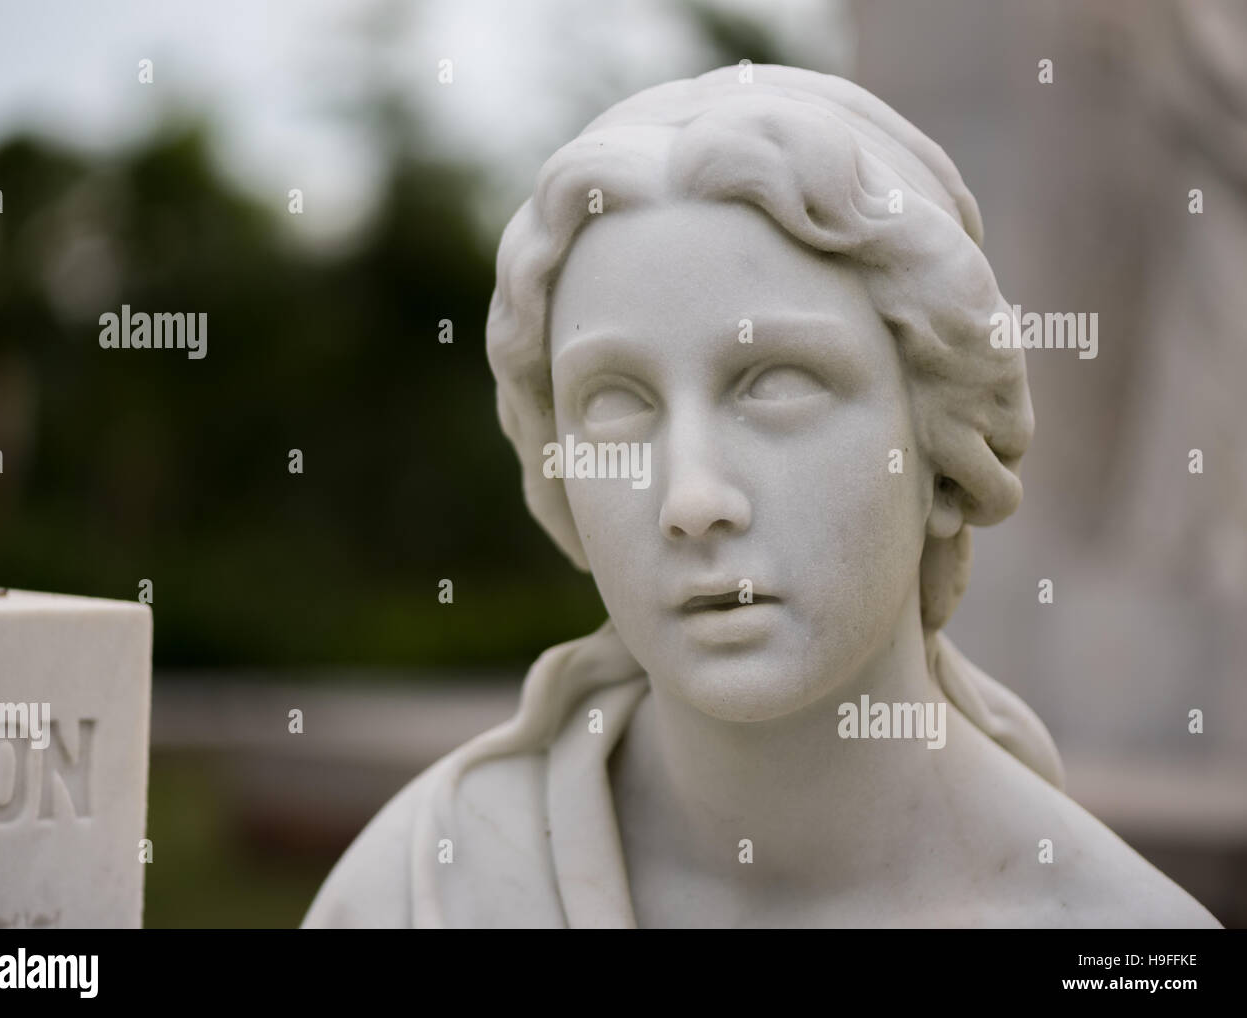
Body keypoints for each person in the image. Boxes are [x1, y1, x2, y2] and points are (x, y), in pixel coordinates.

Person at [303, 65, 1220, 928]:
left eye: (776, 383)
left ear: (943, 453)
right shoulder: (421, 894)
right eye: (617, 406)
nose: (692, 498)